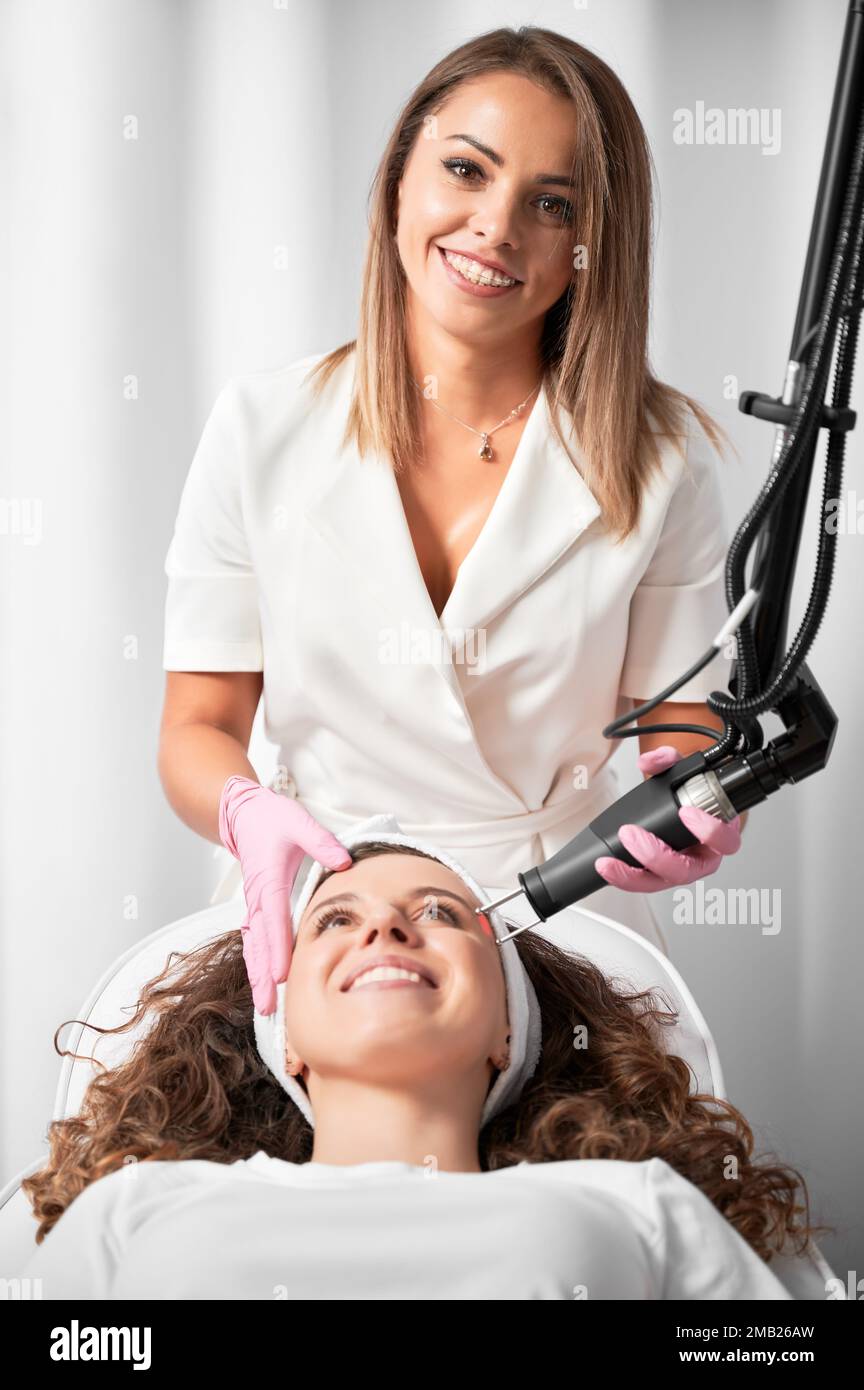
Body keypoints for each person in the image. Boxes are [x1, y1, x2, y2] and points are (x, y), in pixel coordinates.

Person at [158, 25, 748, 1012]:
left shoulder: (663, 457)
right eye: (465, 170)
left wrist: (695, 804)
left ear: (592, 244)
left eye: (551, 204)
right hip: (324, 904)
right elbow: (198, 725)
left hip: (564, 906)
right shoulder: (261, 428)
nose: (496, 226)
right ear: (398, 182)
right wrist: (245, 808)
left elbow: (677, 717)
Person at [21, 836, 822, 1301]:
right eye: (335, 919)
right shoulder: (141, 1205)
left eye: (440, 914)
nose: (388, 929)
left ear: (508, 1030)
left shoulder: (638, 1204)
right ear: (284, 1034)